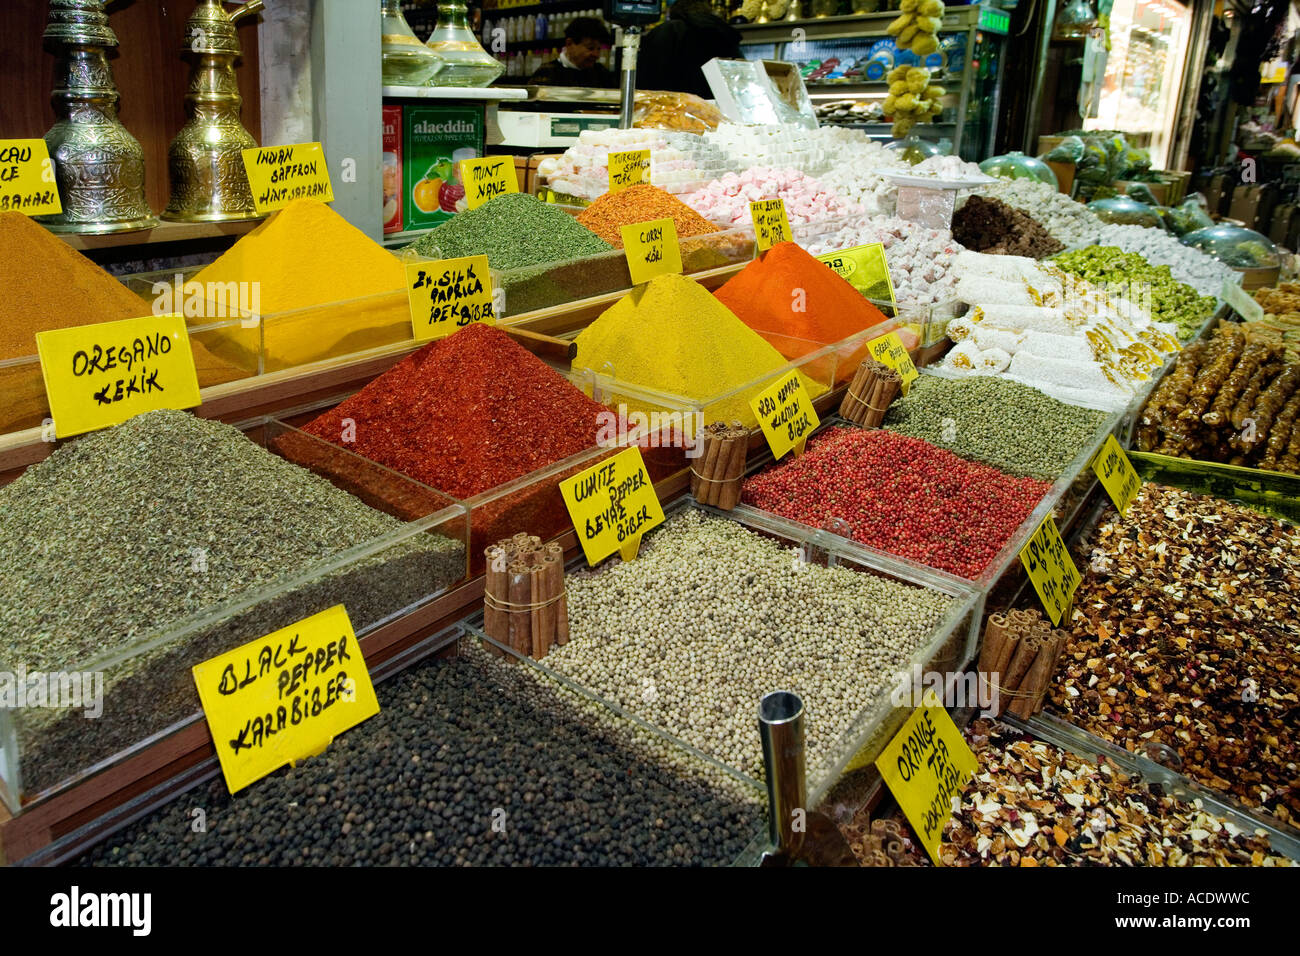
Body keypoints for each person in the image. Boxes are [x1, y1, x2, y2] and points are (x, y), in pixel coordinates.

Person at [636, 0, 741, 99]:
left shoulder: (670, 30)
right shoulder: (725, 33)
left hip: (672, 107)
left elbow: (648, 75)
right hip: (716, 109)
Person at [527, 17, 617, 87]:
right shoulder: (547, 72)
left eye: (599, 49)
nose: (596, 54)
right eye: (590, 48)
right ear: (569, 44)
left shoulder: (601, 73)